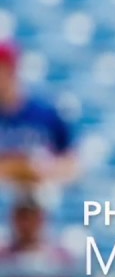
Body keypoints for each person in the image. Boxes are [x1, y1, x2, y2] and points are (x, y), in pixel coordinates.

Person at [0, 41, 78, 189]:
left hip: (40, 200)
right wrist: (15, 168)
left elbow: (72, 166)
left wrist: (41, 170)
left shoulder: (46, 113)